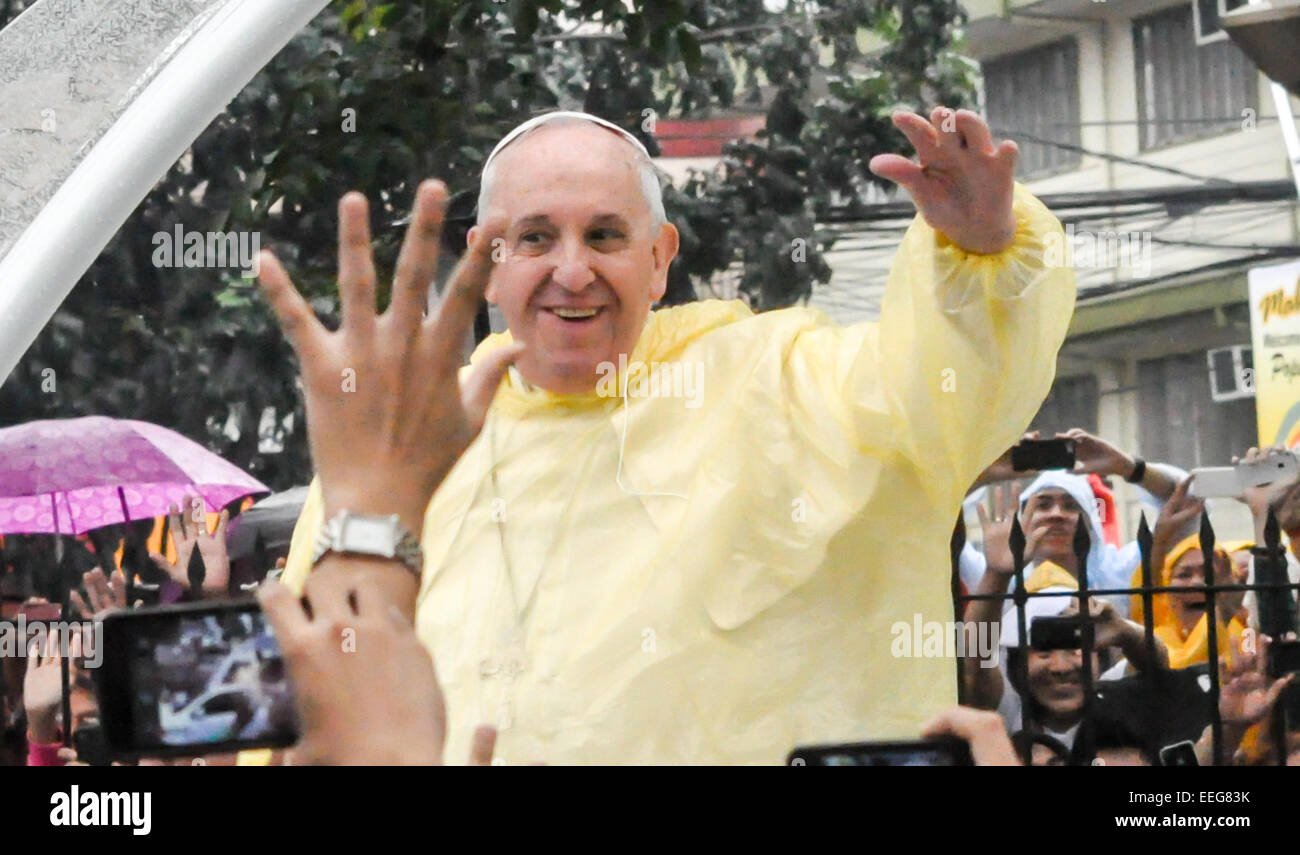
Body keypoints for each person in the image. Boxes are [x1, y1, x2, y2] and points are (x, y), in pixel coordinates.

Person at [261, 107, 1076, 764]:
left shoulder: (782, 381)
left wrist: (982, 252)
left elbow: (946, 390)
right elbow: (310, 692)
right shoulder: (406, 439)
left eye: (606, 236)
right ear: (485, 258)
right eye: (537, 237)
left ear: (659, 258)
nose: (572, 271)